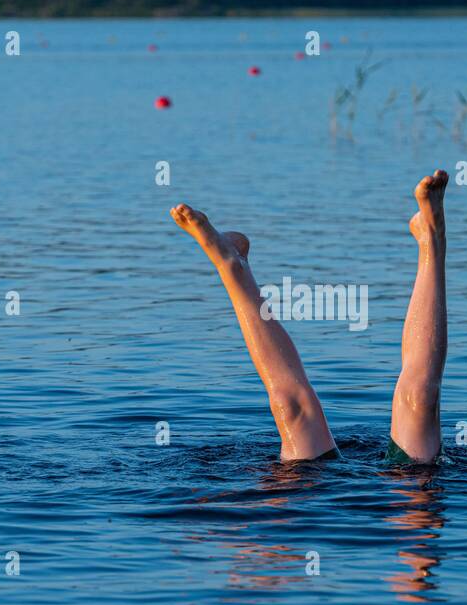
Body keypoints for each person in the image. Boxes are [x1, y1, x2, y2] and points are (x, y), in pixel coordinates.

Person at [169, 169, 450, 465]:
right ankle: (231, 261)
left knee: (416, 397)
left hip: (342, 490)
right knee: (419, 398)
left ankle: (431, 236)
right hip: (401, 482)